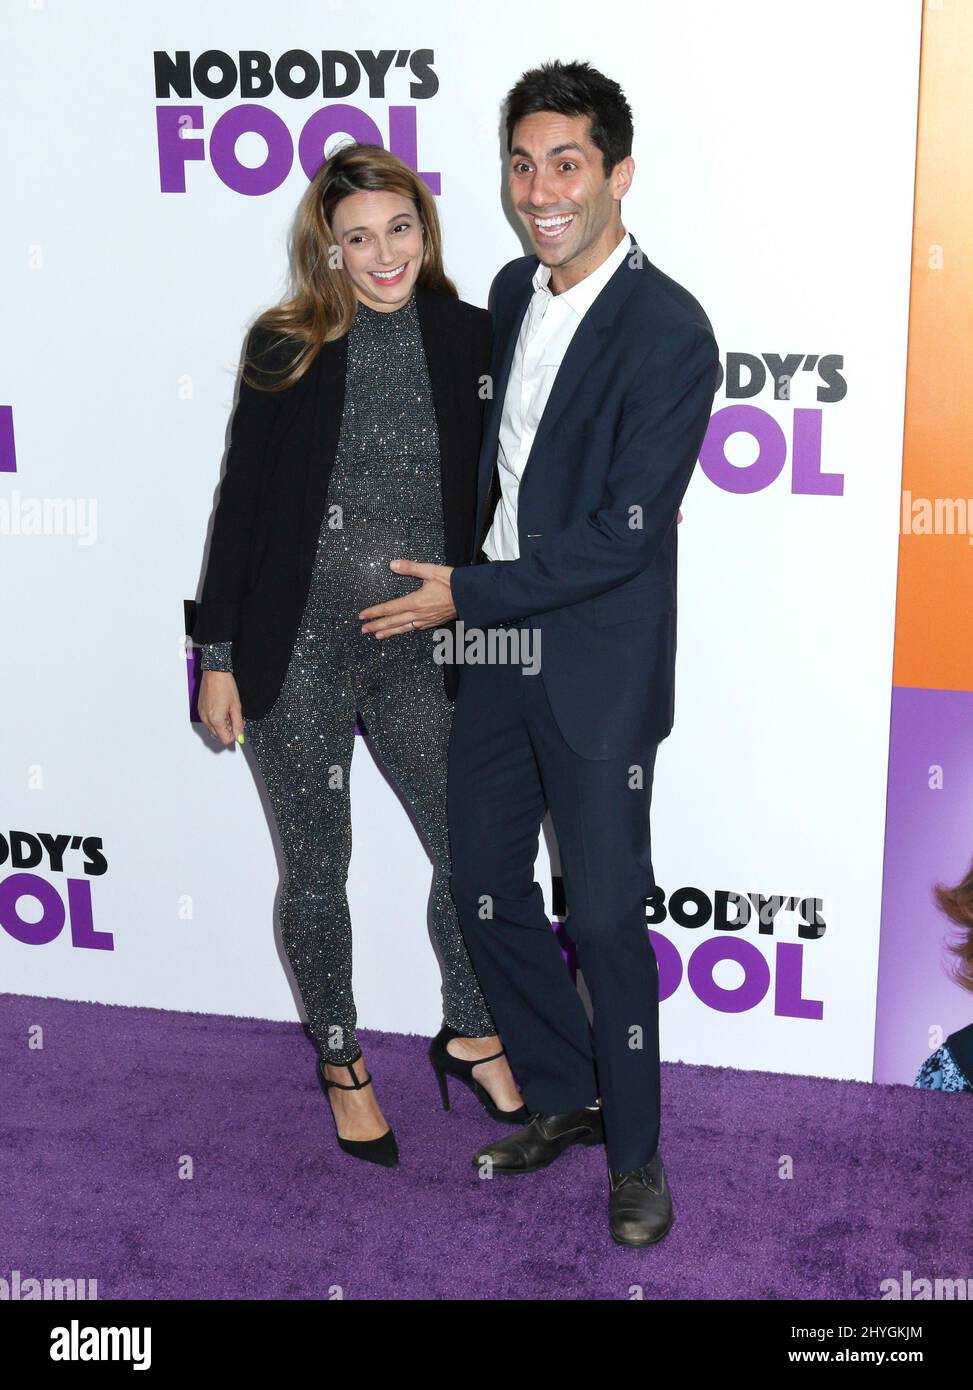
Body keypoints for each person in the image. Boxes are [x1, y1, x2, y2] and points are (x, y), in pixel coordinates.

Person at [359, 62, 719, 1242]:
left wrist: (467, 590)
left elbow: (623, 535)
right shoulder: (516, 290)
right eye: (521, 165)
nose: (539, 189)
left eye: (565, 163)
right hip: (498, 647)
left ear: (618, 174)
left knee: (607, 917)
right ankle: (566, 1094)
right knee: (477, 887)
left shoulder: (670, 331)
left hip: (595, 666)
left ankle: (637, 1152)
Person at [191, 142, 526, 1170]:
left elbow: (509, 487)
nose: (383, 254)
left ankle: (469, 1028)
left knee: (475, 847)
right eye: (358, 237)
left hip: (420, 644)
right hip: (293, 646)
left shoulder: (475, 338)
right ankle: (341, 1061)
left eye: (400, 229)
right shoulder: (286, 345)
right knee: (318, 864)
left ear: (424, 232)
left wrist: (467, 602)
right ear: (326, 249)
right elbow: (241, 504)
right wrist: (215, 653)